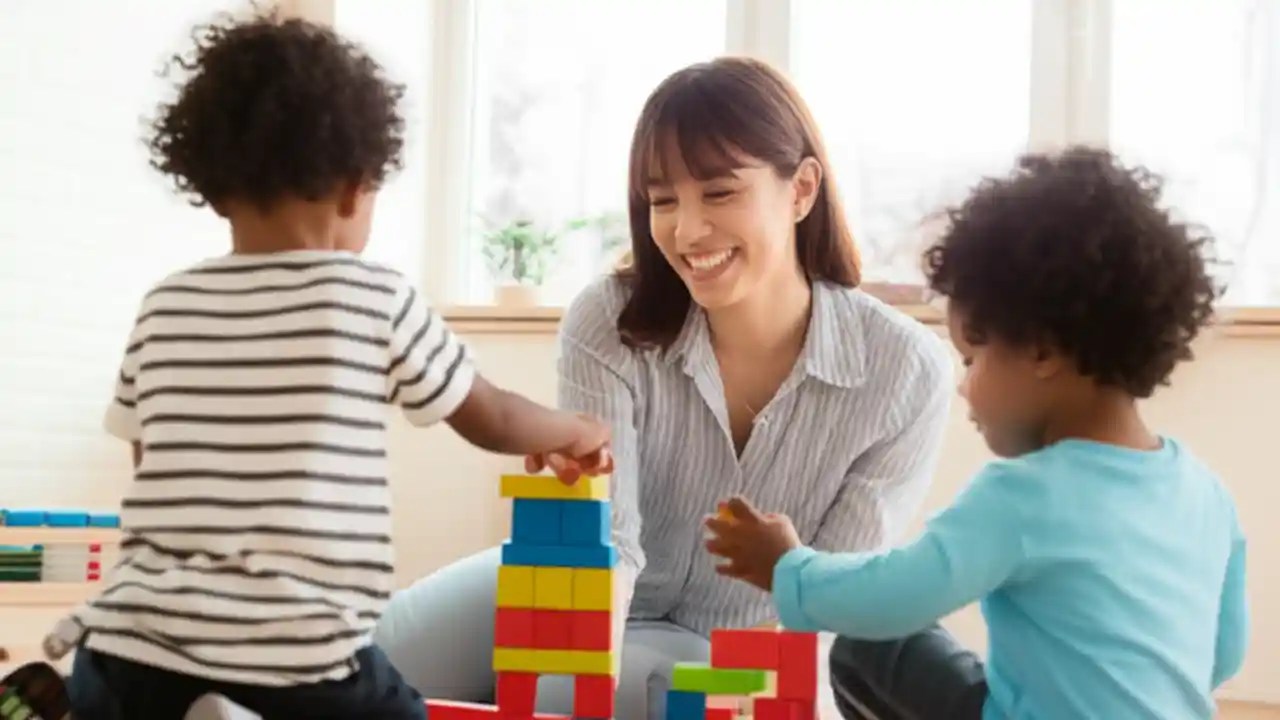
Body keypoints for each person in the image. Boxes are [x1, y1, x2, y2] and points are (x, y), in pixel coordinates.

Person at [44, 12, 611, 720]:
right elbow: (491, 416)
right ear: (355, 185)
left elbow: (153, 465)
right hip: (300, 657)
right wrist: (570, 429)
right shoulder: (372, 296)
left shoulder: (164, 305)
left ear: (213, 186)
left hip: (131, 649)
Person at [374, 57, 954, 719]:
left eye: (719, 192)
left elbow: (832, 595)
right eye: (663, 199)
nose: (685, 230)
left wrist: (737, 692)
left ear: (801, 190)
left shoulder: (906, 371)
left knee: (603, 696)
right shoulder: (608, 320)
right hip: (598, 597)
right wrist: (574, 656)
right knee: (361, 668)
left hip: (744, 646)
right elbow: (607, 541)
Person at [705, 147, 1249, 719]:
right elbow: (1222, 654)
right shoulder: (1204, 492)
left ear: (1040, 351)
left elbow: (895, 597)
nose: (964, 388)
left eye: (971, 358)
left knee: (872, 644)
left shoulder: (1024, 495)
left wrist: (788, 567)